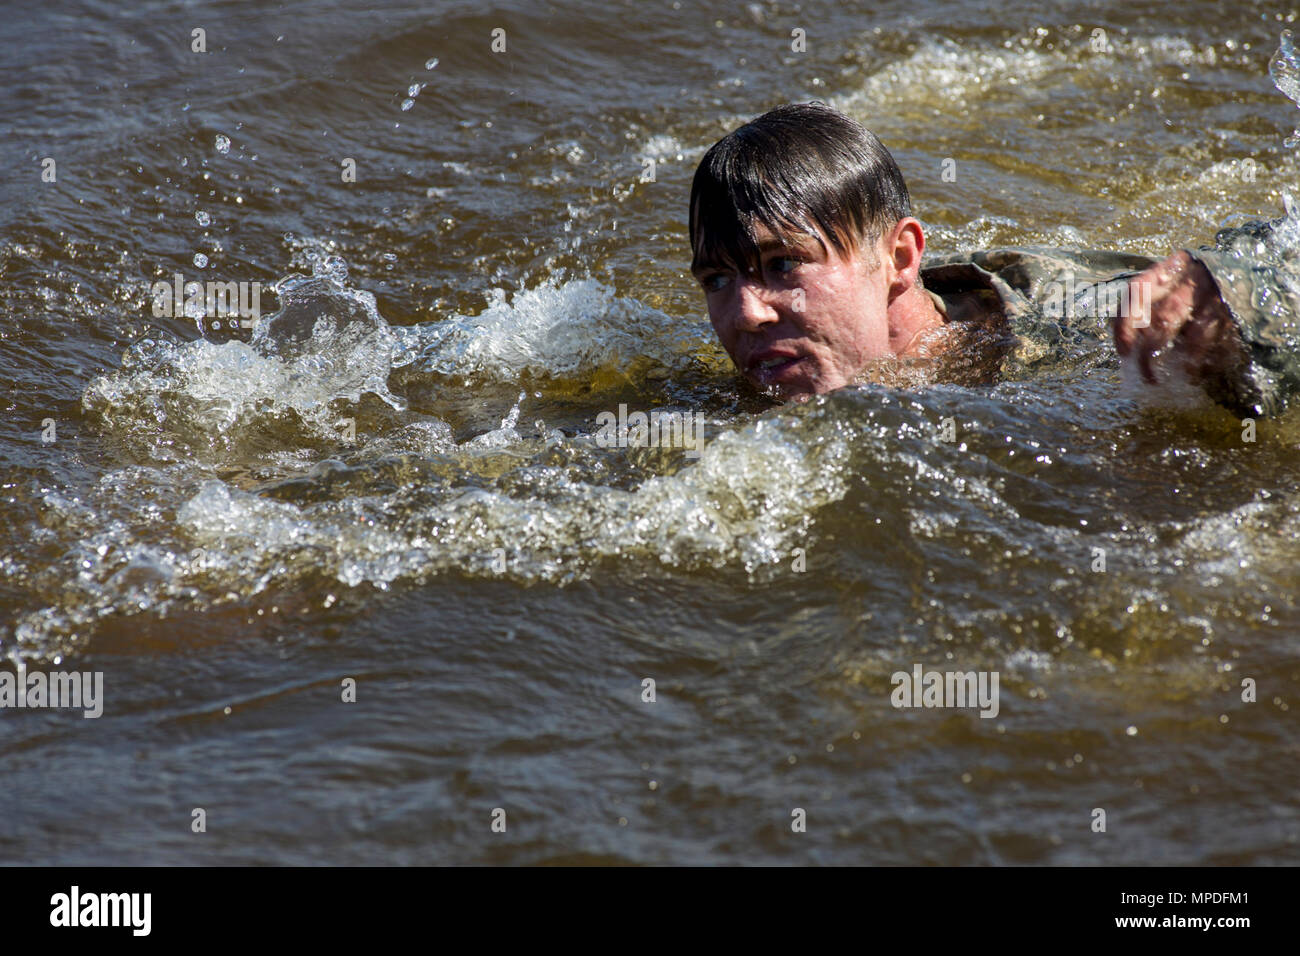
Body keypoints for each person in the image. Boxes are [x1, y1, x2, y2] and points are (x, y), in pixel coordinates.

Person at [688, 102, 1300, 418]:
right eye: (717, 278)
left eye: (782, 266)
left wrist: (1230, 318)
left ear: (899, 259)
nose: (745, 314)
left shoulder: (1078, 330)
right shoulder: (737, 388)